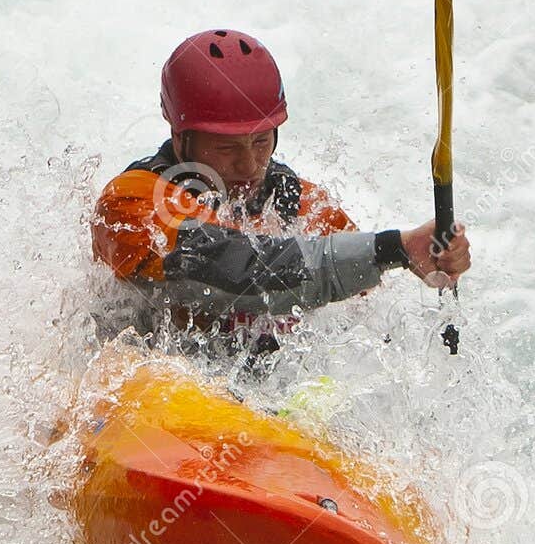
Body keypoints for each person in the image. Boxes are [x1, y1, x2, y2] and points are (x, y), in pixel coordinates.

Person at [91, 28, 471, 351]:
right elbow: (232, 274)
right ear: (180, 136)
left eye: (260, 142)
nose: (249, 165)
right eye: (226, 147)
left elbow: (358, 315)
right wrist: (391, 247)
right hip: (149, 375)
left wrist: (425, 261)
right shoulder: (133, 202)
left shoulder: (300, 203)